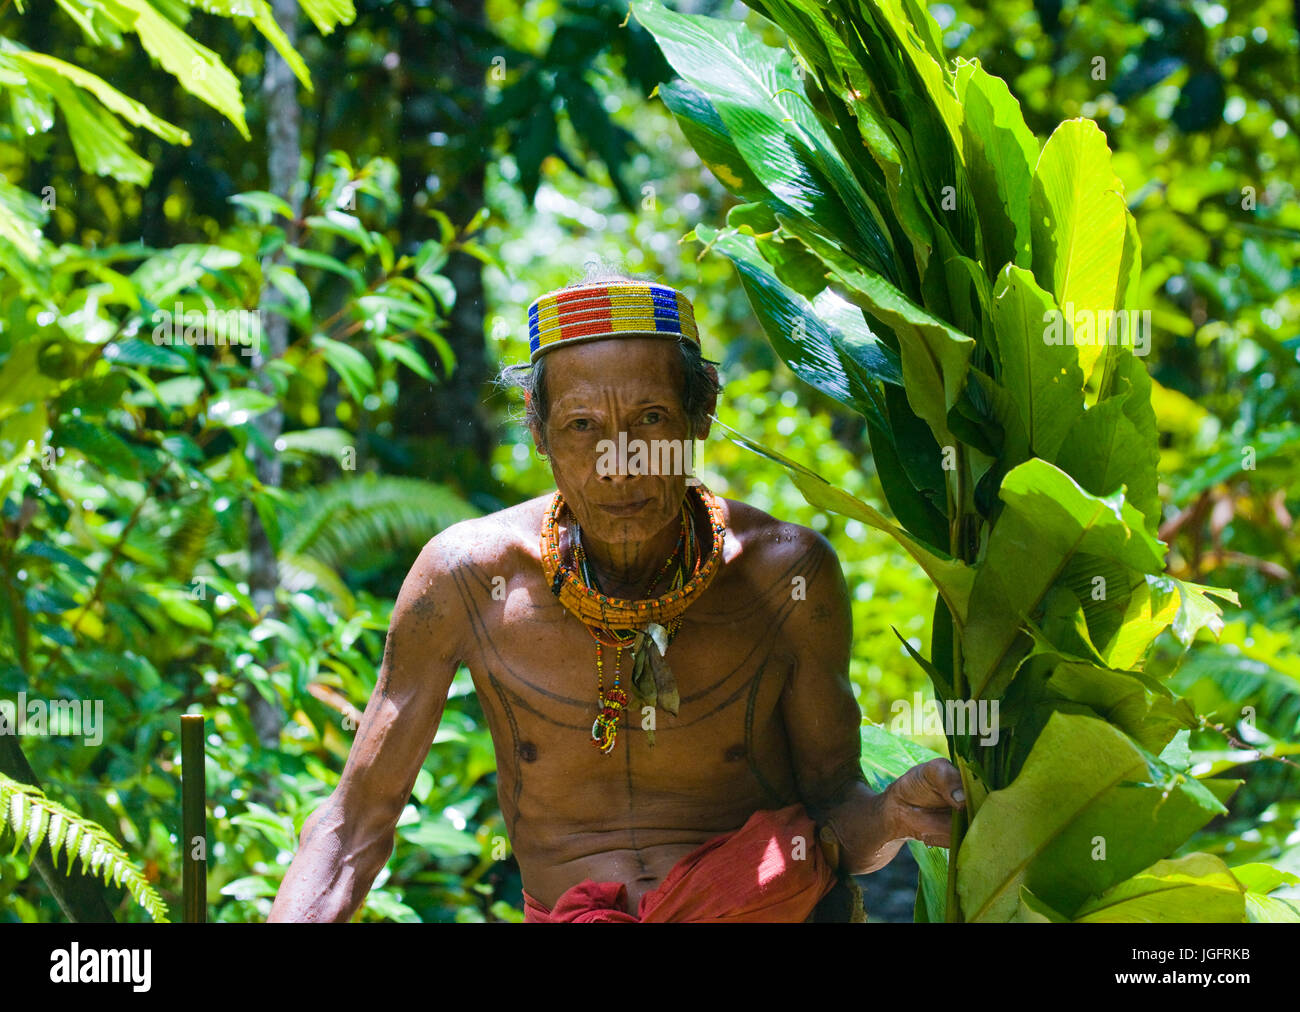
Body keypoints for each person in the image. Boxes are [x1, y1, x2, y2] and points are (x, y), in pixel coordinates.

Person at [269, 267, 965, 923]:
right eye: (582, 427)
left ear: (702, 414)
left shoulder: (786, 577)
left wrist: (896, 814)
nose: (618, 461)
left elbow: (838, 816)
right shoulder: (464, 580)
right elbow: (354, 822)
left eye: (653, 419)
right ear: (538, 431)